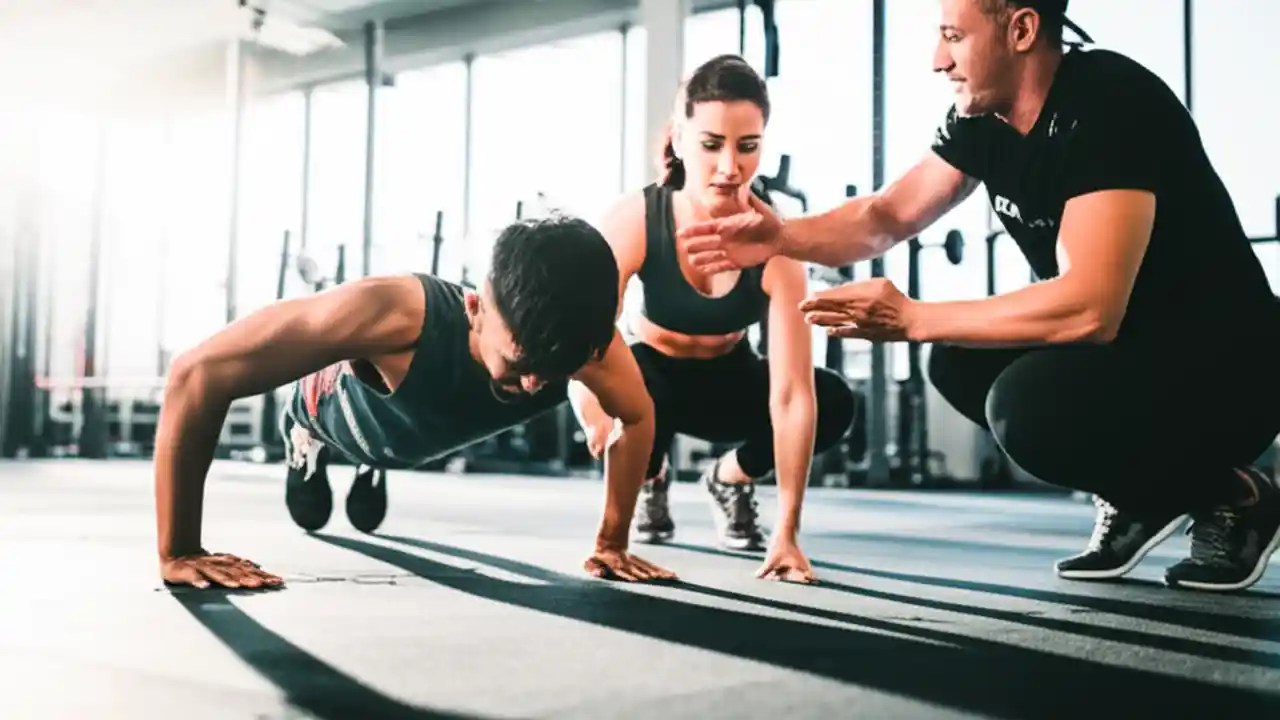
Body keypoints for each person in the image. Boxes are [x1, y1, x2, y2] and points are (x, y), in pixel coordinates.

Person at [678, 0, 1280, 592]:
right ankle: (1141, 494)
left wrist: (913, 316)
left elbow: (1092, 307)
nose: (939, 59)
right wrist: (781, 235)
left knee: (1025, 407)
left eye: (953, 36)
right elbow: (886, 215)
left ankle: (1236, 495)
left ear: (1020, 29)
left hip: (1229, 370)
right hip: (1132, 357)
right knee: (957, 360)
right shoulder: (981, 123)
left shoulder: (1109, 103)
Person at [155, 216, 678, 589]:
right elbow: (197, 371)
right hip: (335, 409)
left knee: (397, 446)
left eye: (556, 372)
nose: (536, 386)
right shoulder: (393, 311)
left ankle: (369, 463)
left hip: (411, 430)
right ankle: (305, 441)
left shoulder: (587, 345)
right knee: (318, 491)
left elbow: (636, 414)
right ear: (475, 308)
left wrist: (611, 541)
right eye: (519, 366)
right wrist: (179, 550)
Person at [570, 55, 859, 585]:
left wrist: (787, 533)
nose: (730, 167)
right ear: (678, 139)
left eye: (747, 147)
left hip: (730, 380)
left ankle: (728, 479)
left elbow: (792, 393)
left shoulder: (778, 243)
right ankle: (650, 475)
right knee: (622, 384)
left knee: (833, 399)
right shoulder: (636, 217)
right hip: (651, 382)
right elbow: (585, 335)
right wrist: (591, 406)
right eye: (711, 145)